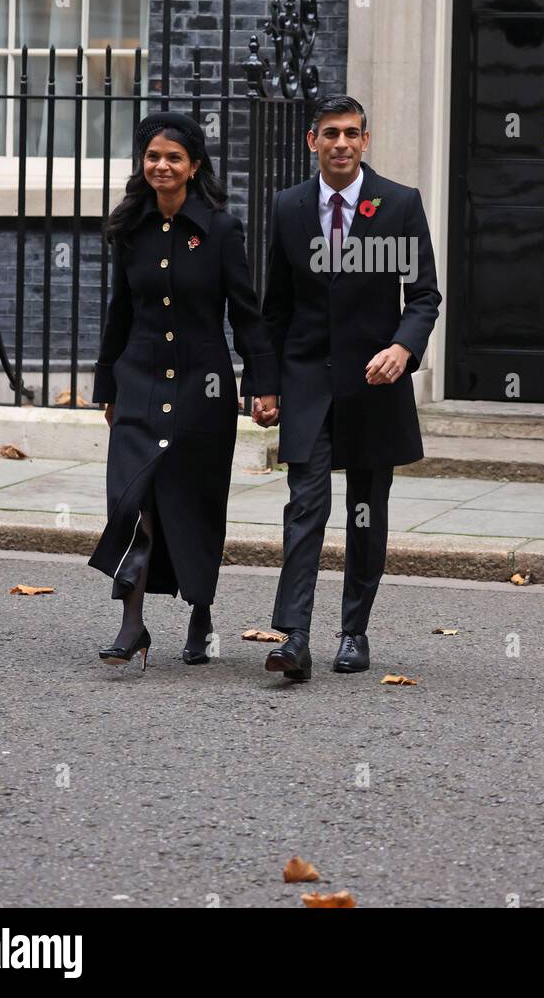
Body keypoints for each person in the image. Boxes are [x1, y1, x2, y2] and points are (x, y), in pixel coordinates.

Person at [256, 95, 441, 681]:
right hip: (310, 381)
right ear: (312, 141)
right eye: (330, 133)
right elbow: (275, 308)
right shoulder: (288, 206)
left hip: (373, 383)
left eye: (352, 133)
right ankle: (295, 638)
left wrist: (404, 347)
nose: (341, 142)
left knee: (365, 510)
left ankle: (354, 633)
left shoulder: (400, 204)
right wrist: (264, 384)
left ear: (366, 141)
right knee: (305, 506)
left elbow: (425, 295)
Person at [90, 110, 279, 669]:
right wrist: (108, 385)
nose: (162, 165)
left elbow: (246, 313)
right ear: (142, 164)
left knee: (194, 503)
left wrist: (262, 384)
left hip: (204, 386)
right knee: (134, 497)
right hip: (140, 380)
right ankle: (132, 623)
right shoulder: (129, 227)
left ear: (195, 166)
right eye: (153, 156)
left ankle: (200, 611)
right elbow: (120, 311)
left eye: (174, 157)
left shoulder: (220, 229)